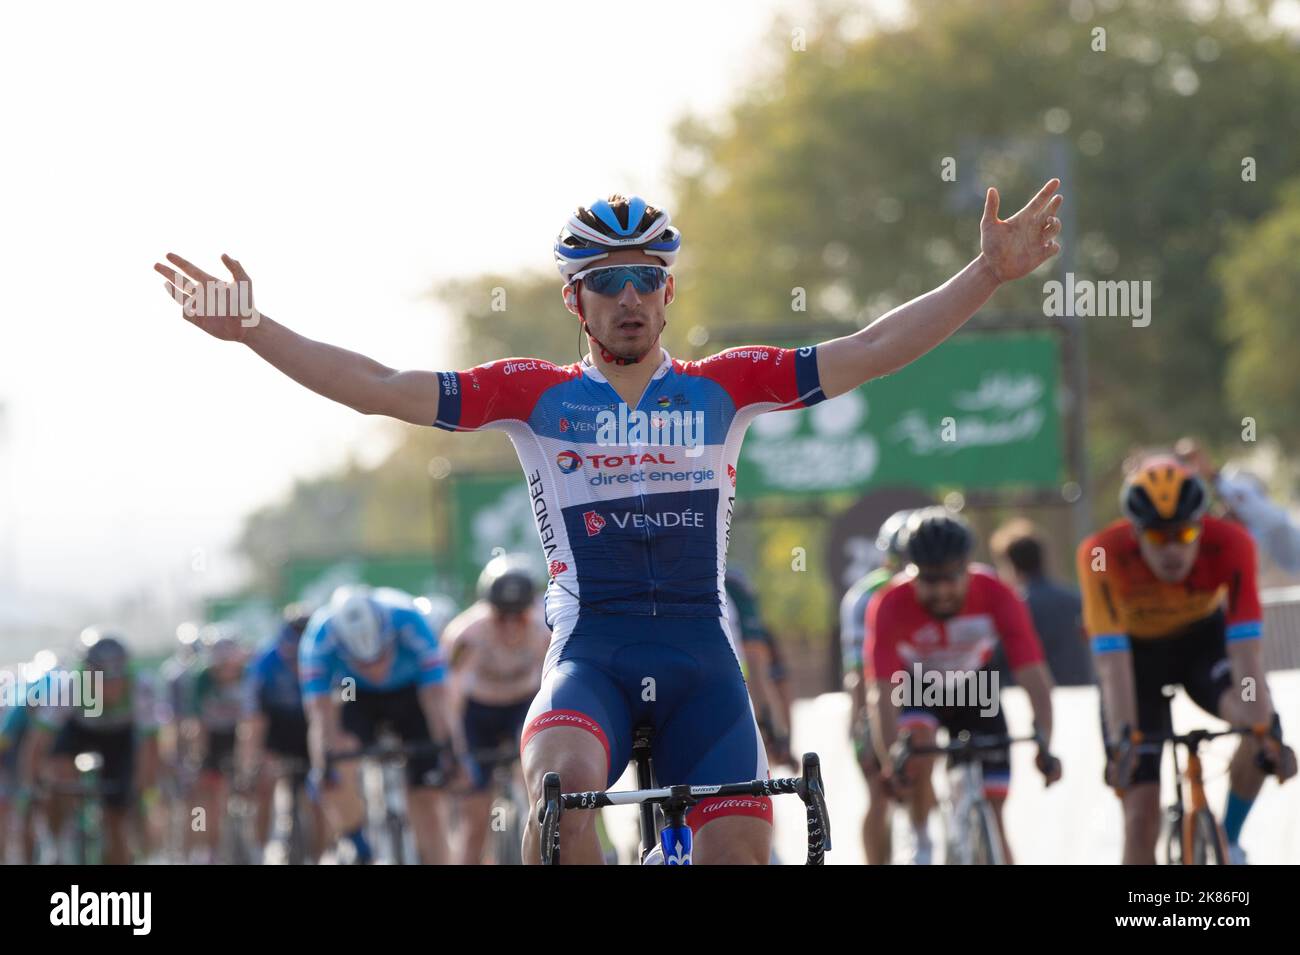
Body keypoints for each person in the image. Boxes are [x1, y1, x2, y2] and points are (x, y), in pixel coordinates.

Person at [158, 180, 1064, 863]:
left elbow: (870, 349)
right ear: (575, 301)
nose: (629, 296)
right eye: (606, 282)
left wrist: (987, 272)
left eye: (646, 278)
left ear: (668, 293)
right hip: (593, 653)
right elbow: (382, 389)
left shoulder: (727, 385)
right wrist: (256, 329)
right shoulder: (533, 395)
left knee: (746, 853)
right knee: (558, 789)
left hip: (703, 664)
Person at [1078, 454, 1297, 865]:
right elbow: (1113, 665)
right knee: (1141, 815)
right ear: (1136, 533)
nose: (1173, 549)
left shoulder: (1232, 543)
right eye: (1158, 538)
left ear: (1203, 524)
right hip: (1135, 660)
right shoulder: (1101, 554)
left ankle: (1228, 840)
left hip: (1202, 645)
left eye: (1185, 533)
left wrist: (1262, 728)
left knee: (1256, 722)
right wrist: (1123, 740)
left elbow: (1246, 653)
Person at [867, 508, 1060, 864]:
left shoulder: (997, 594)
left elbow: (1033, 674)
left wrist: (1045, 740)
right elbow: (881, 689)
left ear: (968, 566)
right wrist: (892, 758)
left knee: (995, 814)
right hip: (917, 685)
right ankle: (922, 841)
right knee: (917, 745)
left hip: (976, 684)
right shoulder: (890, 603)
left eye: (951, 578)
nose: (941, 591)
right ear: (912, 571)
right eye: (930, 579)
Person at [299, 585, 465, 864]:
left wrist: (452, 753)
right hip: (355, 692)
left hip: (412, 692)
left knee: (427, 793)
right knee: (336, 763)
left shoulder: (409, 620)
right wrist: (324, 767)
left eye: (381, 658)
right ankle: (357, 842)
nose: (375, 669)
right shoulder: (319, 637)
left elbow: (438, 699)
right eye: (364, 663)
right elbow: (319, 713)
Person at [442, 555, 549, 864]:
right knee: (475, 815)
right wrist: (460, 753)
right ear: (489, 610)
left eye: (520, 616)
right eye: (503, 616)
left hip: (523, 705)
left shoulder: (544, 627)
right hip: (478, 713)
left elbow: (552, 681)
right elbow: (453, 696)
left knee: (532, 784)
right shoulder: (467, 634)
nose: (512, 625)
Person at [19, 630, 160, 864]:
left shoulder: (140, 686)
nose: (110, 686)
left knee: (117, 819)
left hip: (119, 739)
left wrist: (143, 786)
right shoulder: (71, 686)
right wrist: (33, 783)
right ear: (88, 673)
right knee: (58, 774)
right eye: (102, 679)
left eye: (117, 678)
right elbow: (38, 740)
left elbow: (149, 744)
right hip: (78, 732)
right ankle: (58, 838)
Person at [839, 508, 913, 864]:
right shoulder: (865, 596)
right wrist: (861, 726)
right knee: (879, 794)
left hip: (928, 695)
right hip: (875, 696)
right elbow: (858, 672)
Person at [244, 604, 325, 863]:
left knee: (321, 792)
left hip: (312, 721)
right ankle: (260, 850)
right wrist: (252, 760)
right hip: (276, 725)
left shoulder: (324, 651)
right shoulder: (267, 660)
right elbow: (255, 717)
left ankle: (318, 854)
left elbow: (340, 704)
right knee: (264, 784)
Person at [989, 518, 1093, 687]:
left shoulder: (1015, 606)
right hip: (1082, 698)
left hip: (1027, 702)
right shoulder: (1075, 600)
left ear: (1010, 564)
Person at [1177, 438, 1300, 574]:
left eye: (1196, 457)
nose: (1195, 464)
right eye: (1187, 460)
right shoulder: (1195, 497)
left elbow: (1262, 503)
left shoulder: (1233, 478)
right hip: (1253, 546)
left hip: (1280, 531)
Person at [724, 567, 793, 770]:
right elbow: (759, 672)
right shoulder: (734, 584)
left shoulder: (734, 584)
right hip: (733, 710)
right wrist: (779, 736)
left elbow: (773, 678)